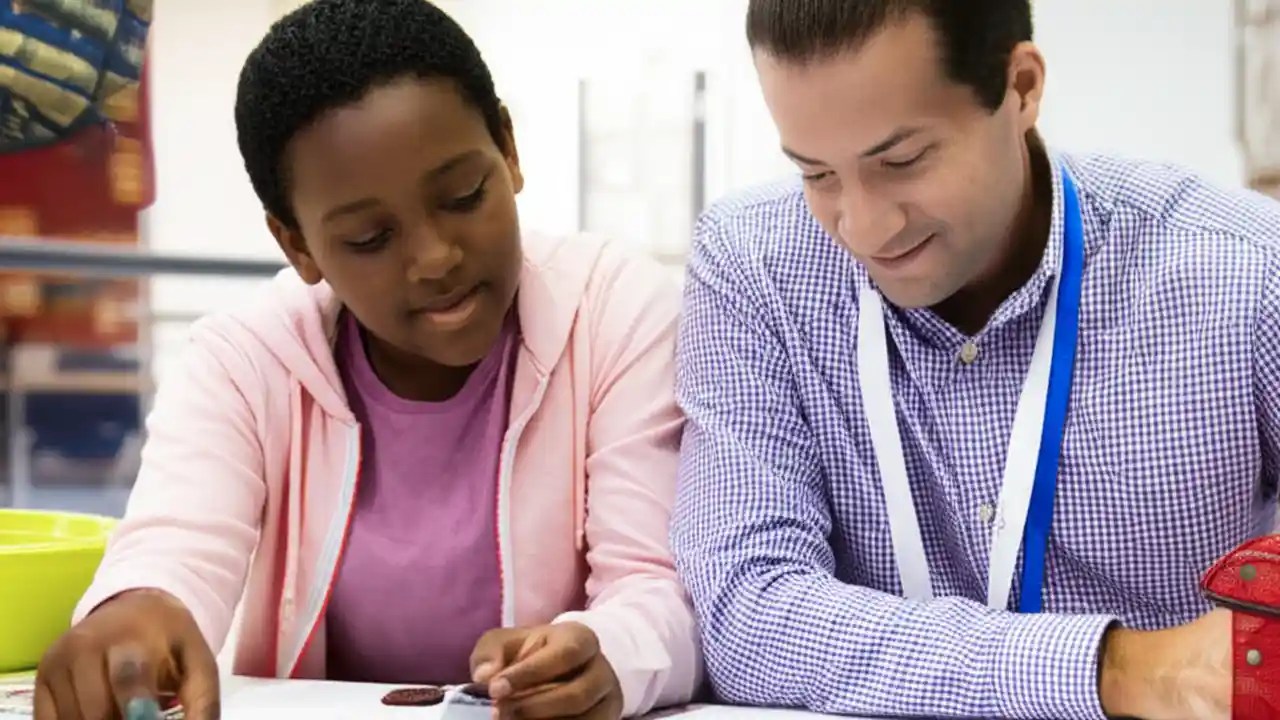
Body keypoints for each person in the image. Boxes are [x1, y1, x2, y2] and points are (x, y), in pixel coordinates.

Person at [33, 1, 700, 718]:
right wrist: (135, 611)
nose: (436, 258)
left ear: (508, 149)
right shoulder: (242, 359)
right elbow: (173, 545)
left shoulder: (614, 312)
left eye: (465, 195)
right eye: (369, 239)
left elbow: (659, 588)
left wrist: (604, 650)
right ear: (297, 245)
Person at [671, 1, 1280, 719]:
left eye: (901, 161)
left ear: (1020, 87)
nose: (863, 227)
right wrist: (1119, 668)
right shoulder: (751, 269)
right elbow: (748, 616)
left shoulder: (1245, 273)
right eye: (816, 175)